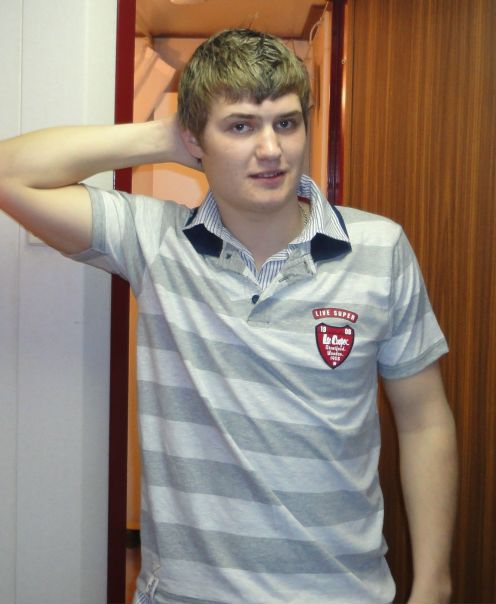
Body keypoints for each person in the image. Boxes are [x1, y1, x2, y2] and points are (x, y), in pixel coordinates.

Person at [0, 28, 457, 604]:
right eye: (241, 126)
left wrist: (434, 583)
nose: (271, 149)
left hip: (342, 590)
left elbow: (424, 421)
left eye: (286, 123)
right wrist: (165, 136)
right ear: (195, 140)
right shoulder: (155, 241)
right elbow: (10, 172)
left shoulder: (379, 248)